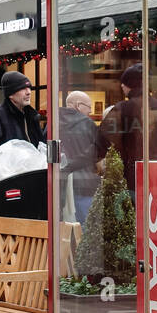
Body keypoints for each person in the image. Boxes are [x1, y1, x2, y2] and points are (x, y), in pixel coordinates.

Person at [99, 63, 157, 194]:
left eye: (124, 83)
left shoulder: (121, 109)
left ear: (130, 85)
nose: (121, 86)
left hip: (130, 178)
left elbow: (102, 141)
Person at [58, 90, 101, 223]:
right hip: (85, 186)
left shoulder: (53, 123)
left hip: (59, 185)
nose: (90, 111)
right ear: (78, 105)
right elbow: (98, 154)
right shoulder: (88, 124)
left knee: (63, 232)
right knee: (85, 231)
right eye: (89, 107)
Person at [0, 70, 45, 152]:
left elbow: (42, 144)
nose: (28, 92)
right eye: (23, 88)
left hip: (35, 163)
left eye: (29, 88)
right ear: (10, 94)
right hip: (8, 164)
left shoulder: (32, 116)